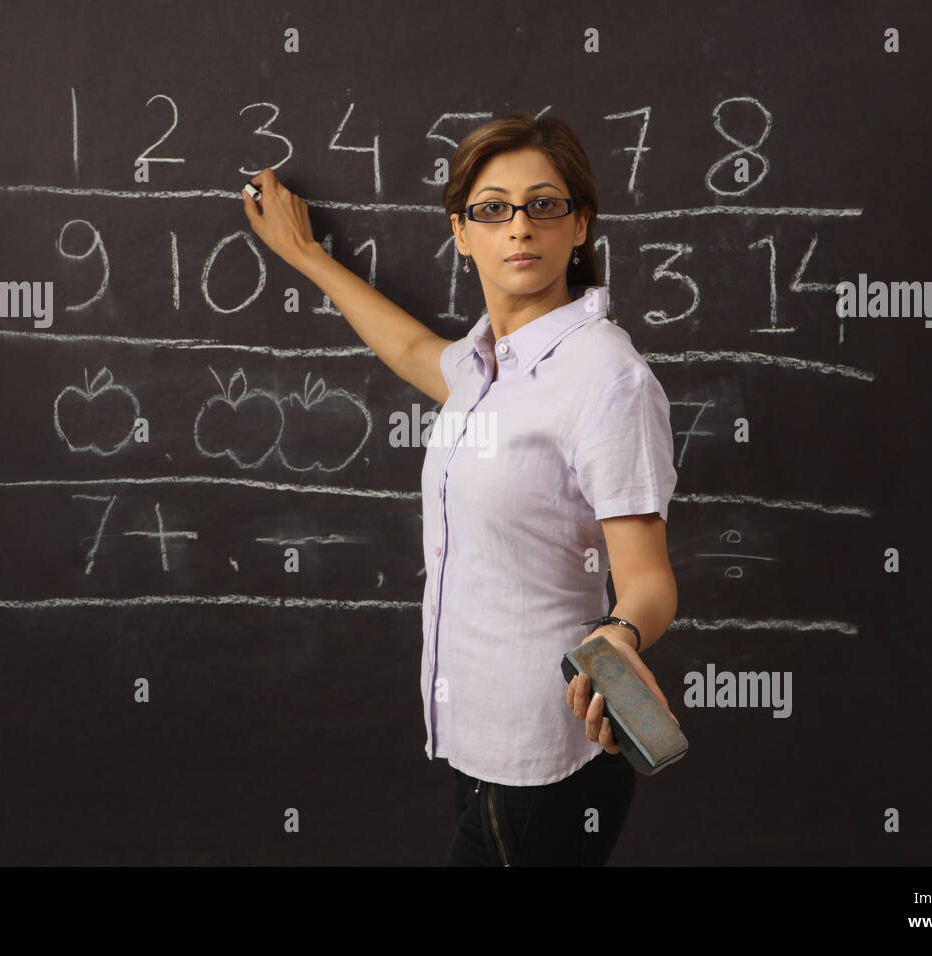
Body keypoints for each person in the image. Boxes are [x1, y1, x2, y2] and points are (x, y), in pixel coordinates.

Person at [242, 113, 679, 866]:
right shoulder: (483, 367)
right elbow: (413, 348)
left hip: (548, 760)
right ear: (461, 231)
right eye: (493, 209)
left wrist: (620, 633)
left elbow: (648, 581)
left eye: (545, 205)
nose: (520, 229)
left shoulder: (607, 379)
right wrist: (306, 255)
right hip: (479, 747)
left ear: (579, 226)